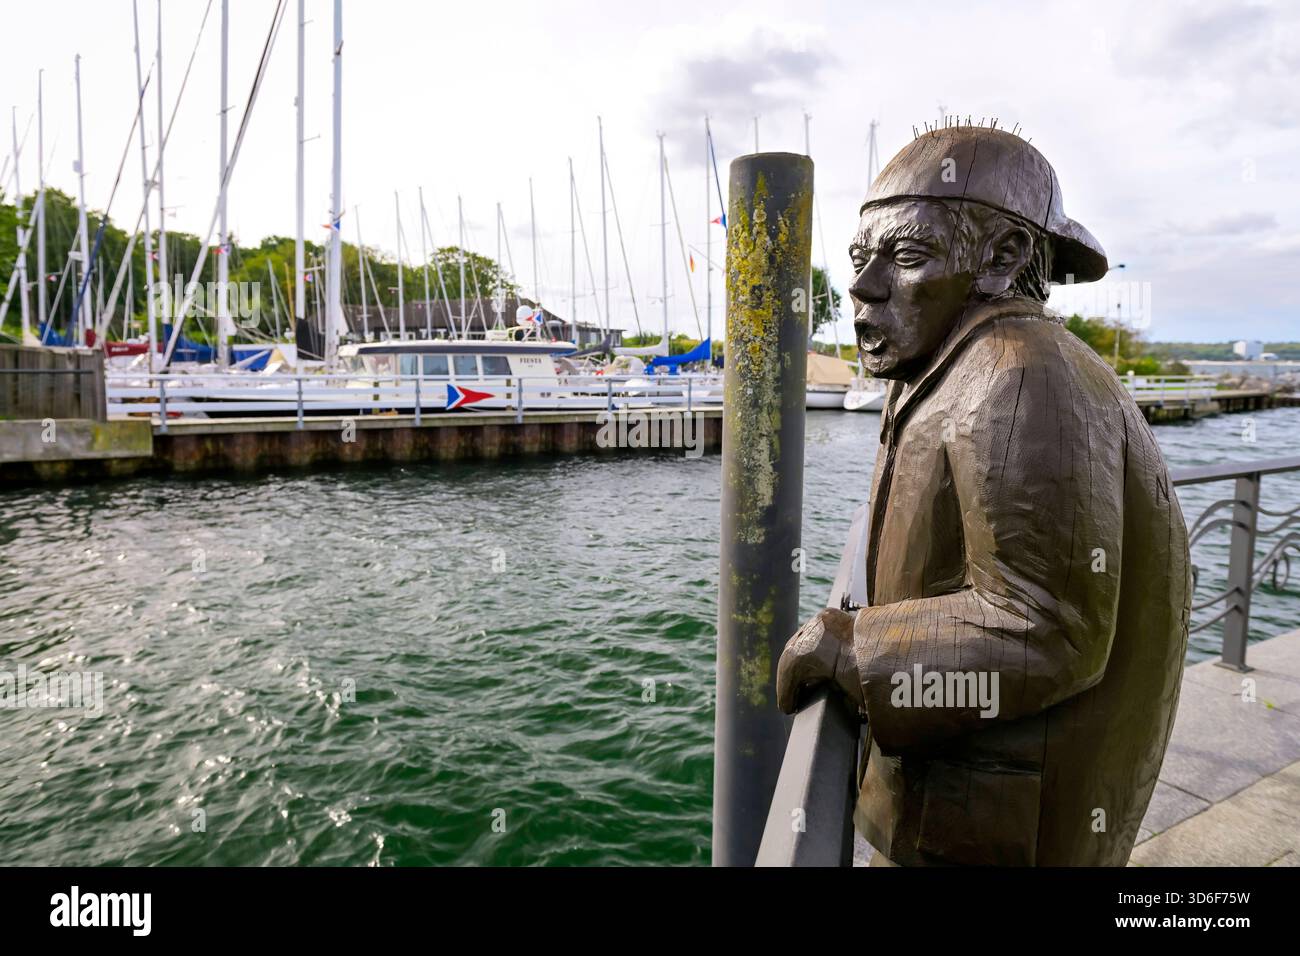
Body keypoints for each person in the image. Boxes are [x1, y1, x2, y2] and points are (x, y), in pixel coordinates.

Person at [775, 124, 1190, 866]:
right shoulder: (958, 365)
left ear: (1003, 258)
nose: (862, 287)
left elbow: (1048, 625)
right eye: (861, 258)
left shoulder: (1019, 374)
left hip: (1001, 829)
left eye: (906, 255)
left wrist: (847, 646)